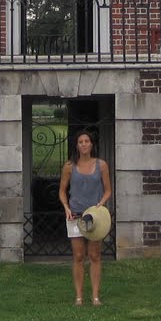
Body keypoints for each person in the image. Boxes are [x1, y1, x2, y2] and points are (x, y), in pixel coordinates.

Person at [58, 130, 111, 306]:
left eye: (87, 141)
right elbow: (62, 191)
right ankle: (79, 297)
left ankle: (95, 296)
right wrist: (66, 207)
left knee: (94, 255)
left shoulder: (101, 165)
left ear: (91, 144)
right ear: (77, 145)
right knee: (78, 256)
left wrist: (100, 205)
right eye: (80, 142)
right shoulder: (69, 166)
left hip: (94, 217)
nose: (84, 144)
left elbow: (108, 190)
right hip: (75, 216)